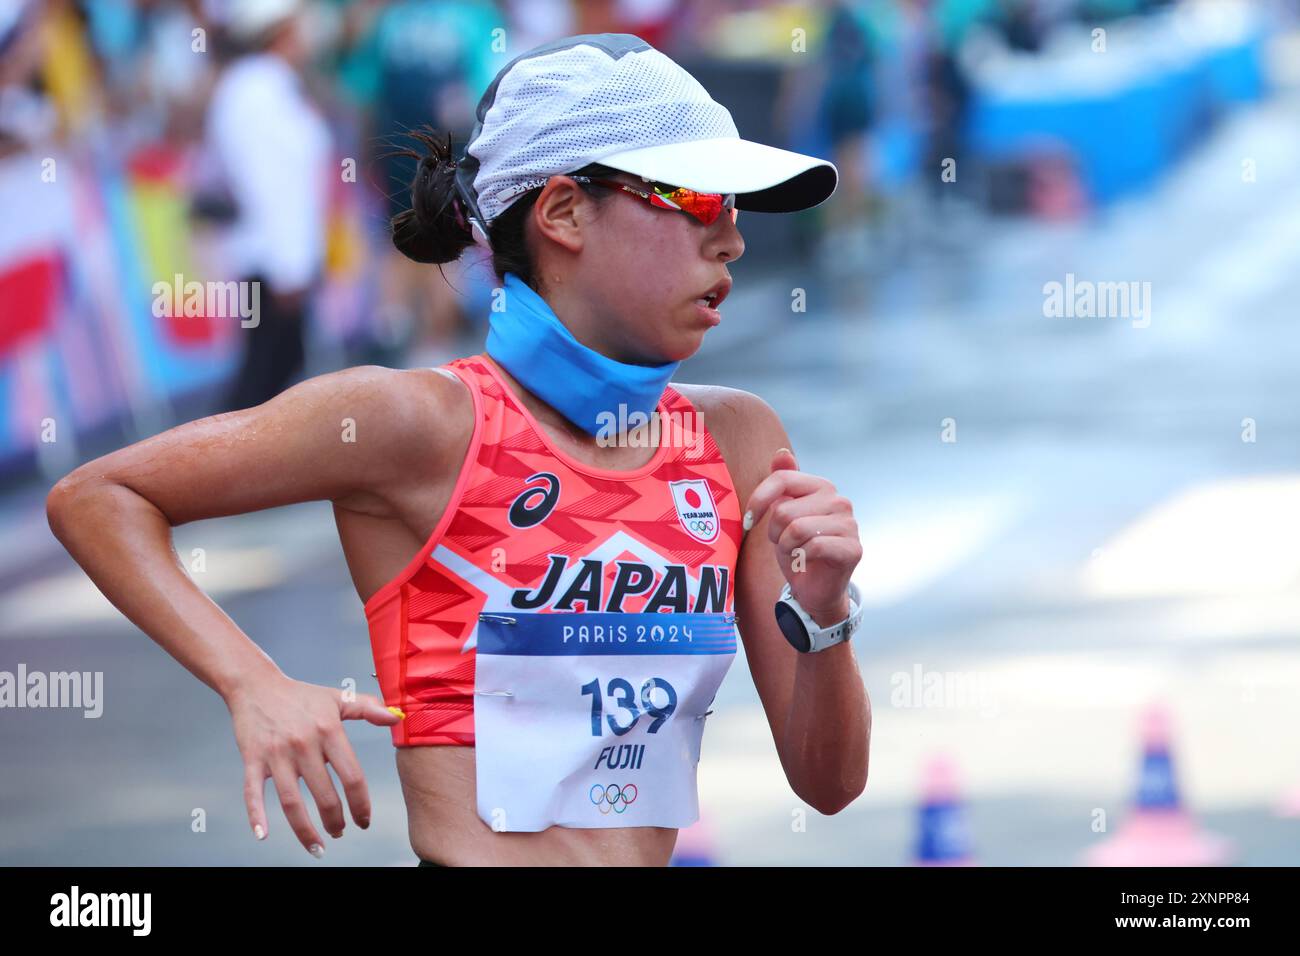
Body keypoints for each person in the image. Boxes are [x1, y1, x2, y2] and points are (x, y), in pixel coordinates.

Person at [45, 33, 871, 867]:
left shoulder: (737, 439)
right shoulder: (417, 423)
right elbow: (97, 496)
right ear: (563, 213)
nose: (731, 241)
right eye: (697, 199)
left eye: (737, 209)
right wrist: (250, 682)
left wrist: (826, 612)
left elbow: (830, 785)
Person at [205, 0, 331, 412]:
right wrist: (288, 265)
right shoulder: (256, 93)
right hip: (270, 260)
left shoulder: (266, 87)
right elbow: (268, 183)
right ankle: (216, 467)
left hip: (278, 256)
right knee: (262, 376)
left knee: (279, 366)